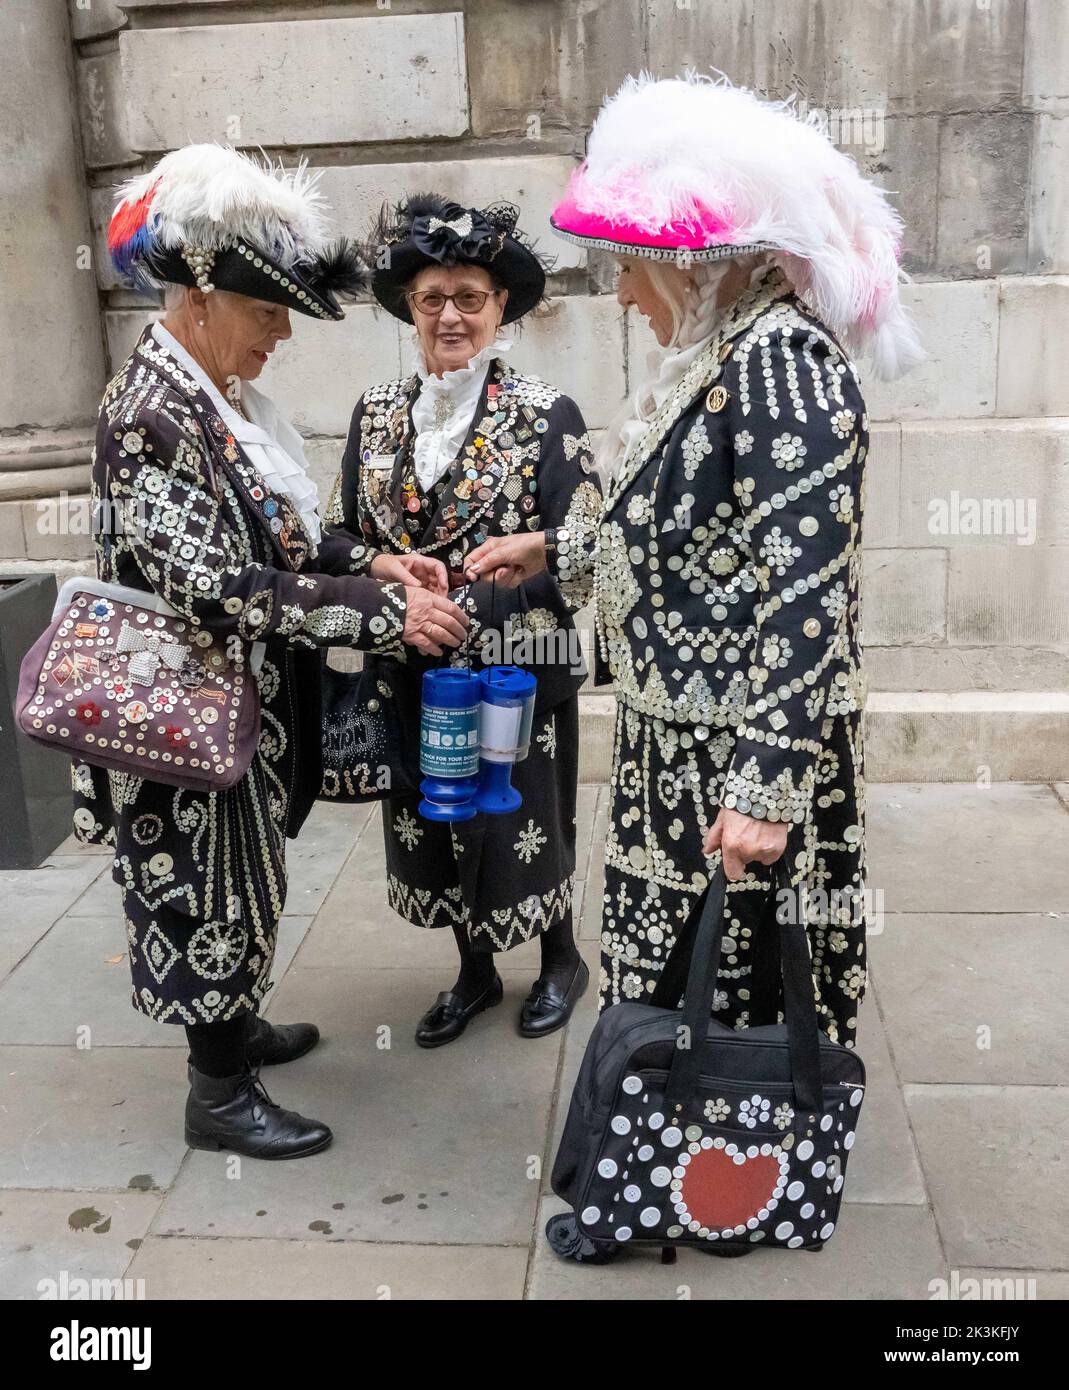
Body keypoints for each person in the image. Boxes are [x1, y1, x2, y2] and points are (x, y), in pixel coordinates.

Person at [464, 73, 923, 1261]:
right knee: (675, 967)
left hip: (738, 761)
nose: (621, 289)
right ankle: (669, 1158)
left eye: (632, 265)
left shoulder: (781, 366)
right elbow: (673, 526)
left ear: (703, 262)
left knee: (733, 974)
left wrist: (765, 790)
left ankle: (723, 1174)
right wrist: (554, 548)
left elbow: (802, 593)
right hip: (678, 742)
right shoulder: (717, 359)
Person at [74, 145, 467, 1160]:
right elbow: (217, 587)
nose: (281, 334)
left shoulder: (212, 402)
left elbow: (281, 538)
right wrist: (380, 617)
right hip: (181, 704)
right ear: (202, 298)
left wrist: (374, 562)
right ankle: (218, 1091)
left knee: (244, 875)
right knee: (203, 883)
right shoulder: (152, 414)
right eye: (267, 313)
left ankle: (235, 1027)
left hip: (232, 701)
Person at [325, 193, 603, 1046]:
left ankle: (560, 961)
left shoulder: (547, 412)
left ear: (500, 308)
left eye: (469, 298)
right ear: (409, 310)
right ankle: (475, 971)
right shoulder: (372, 415)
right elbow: (333, 536)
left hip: (518, 666)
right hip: (410, 663)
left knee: (526, 820)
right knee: (435, 822)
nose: (450, 315)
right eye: (431, 299)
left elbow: (588, 543)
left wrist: (496, 585)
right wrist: (384, 578)